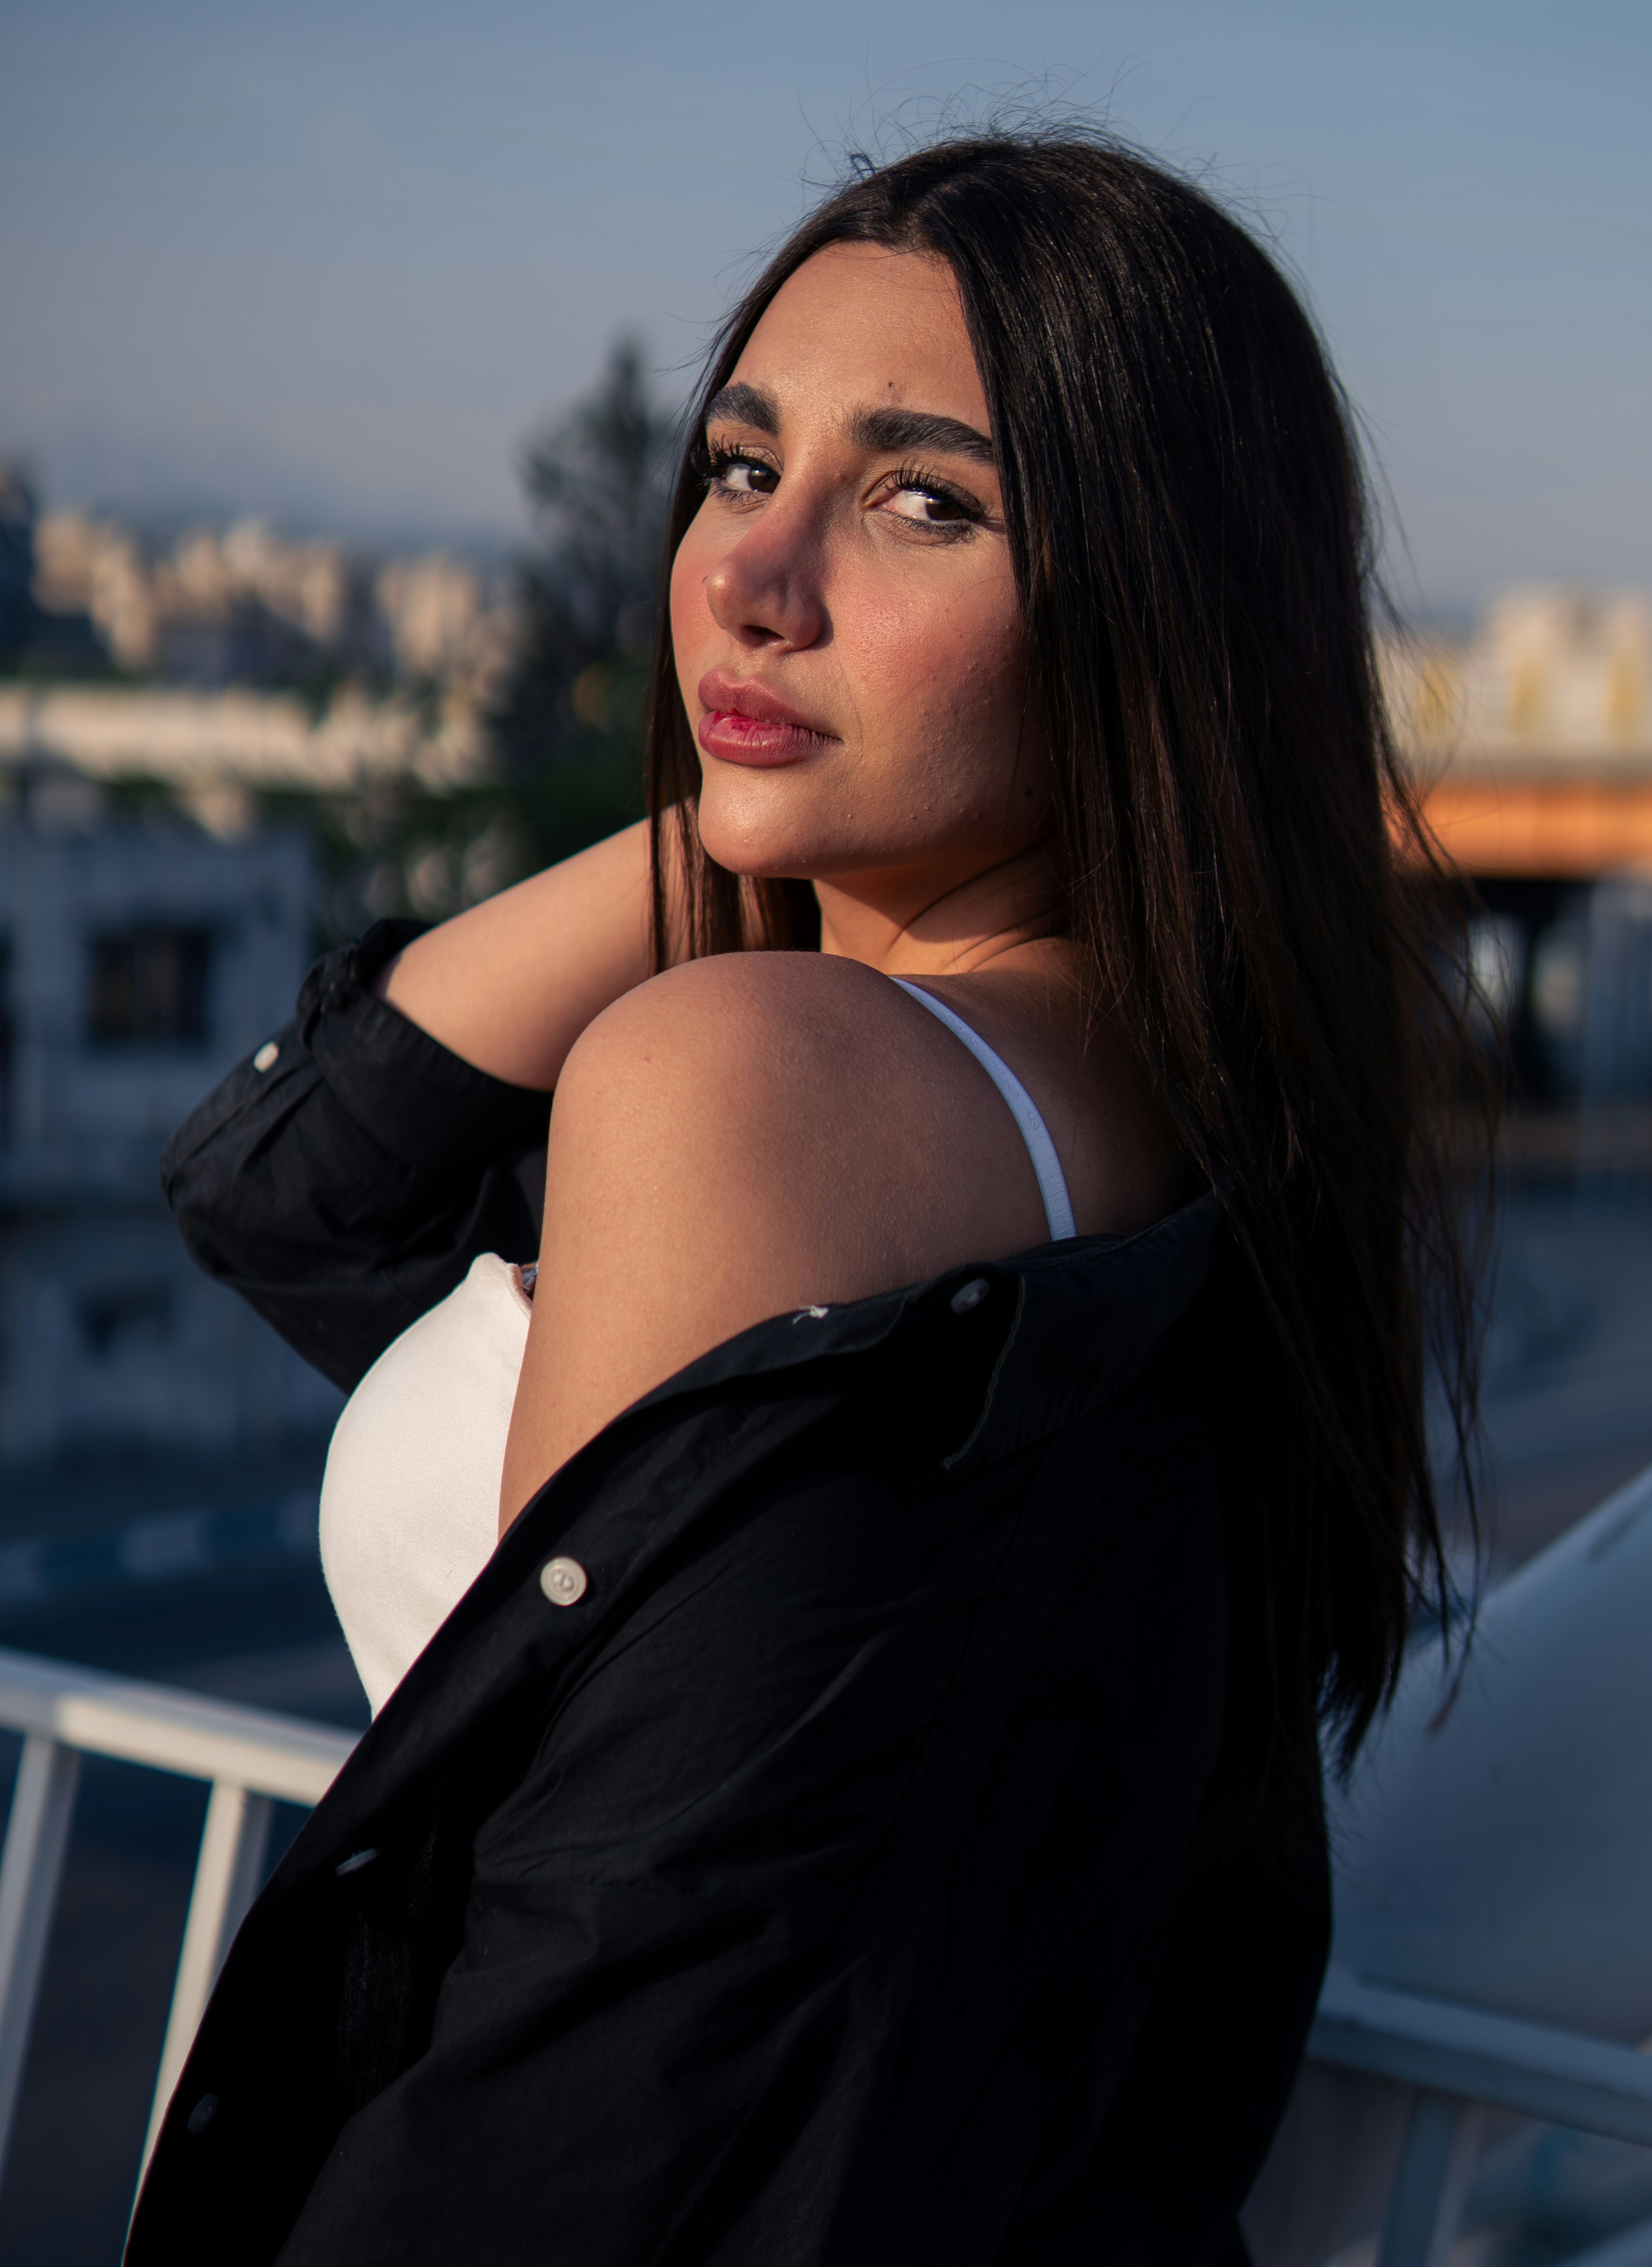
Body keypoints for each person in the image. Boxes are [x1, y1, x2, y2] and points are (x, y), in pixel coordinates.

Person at [128, 131, 1487, 2266]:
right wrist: (755, 820)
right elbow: (292, 1191)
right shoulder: (1193, 1108)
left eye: (920, 501)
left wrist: (757, 834)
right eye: (740, 469)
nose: (750, 579)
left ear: (1153, 608)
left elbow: (597, 2026)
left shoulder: (743, 1076)